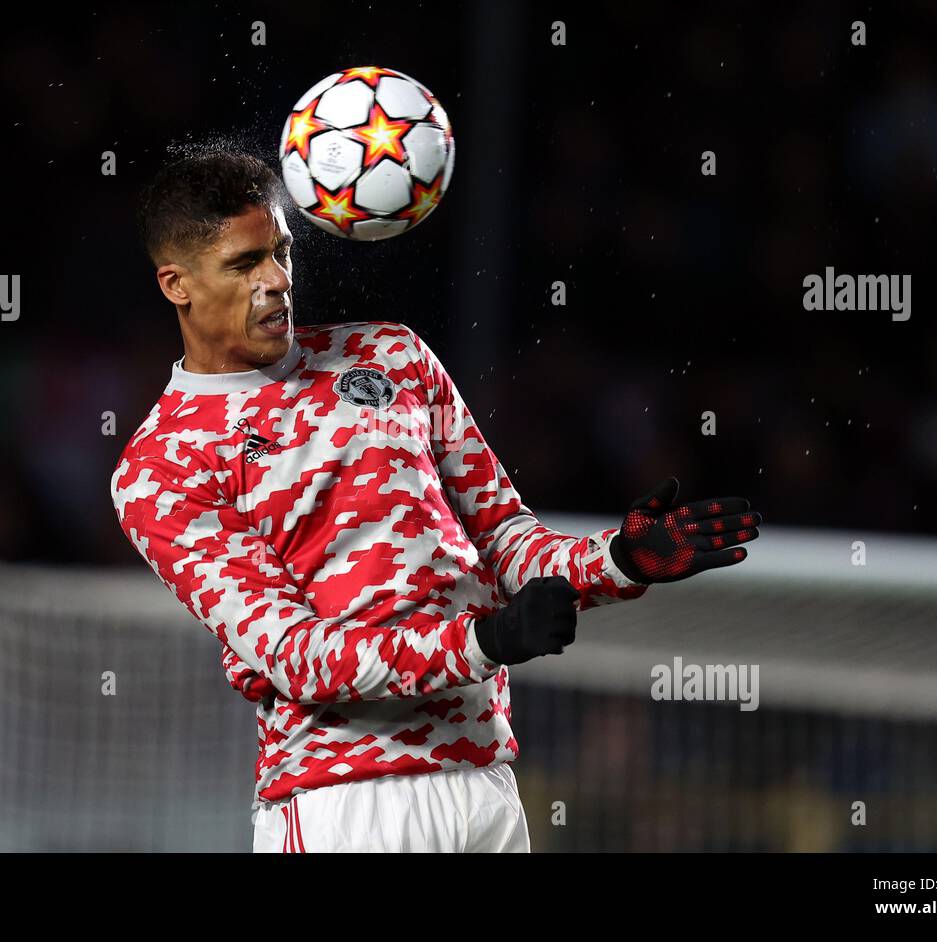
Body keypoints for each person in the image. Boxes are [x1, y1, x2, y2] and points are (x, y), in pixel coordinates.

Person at [111, 145, 761, 852]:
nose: (276, 281)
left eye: (282, 251)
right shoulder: (160, 466)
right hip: (347, 802)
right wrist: (485, 641)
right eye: (244, 264)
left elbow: (504, 535)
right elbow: (297, 655)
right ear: (176, 284)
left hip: (485, 782)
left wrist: (621, 561)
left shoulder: (391, 355)